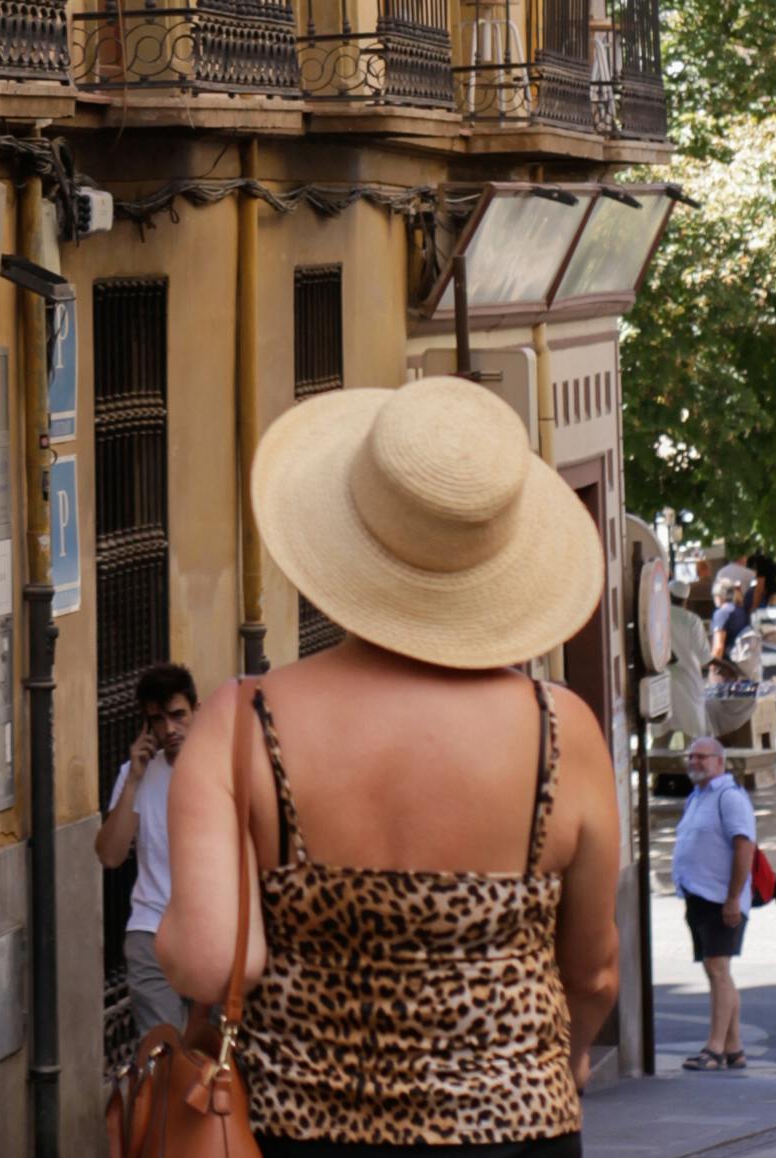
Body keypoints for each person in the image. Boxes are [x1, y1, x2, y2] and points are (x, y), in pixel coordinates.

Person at [159, 373, 622, 1156]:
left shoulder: (240, 723)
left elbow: (209, 961)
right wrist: (567, 1054)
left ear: (345, 537)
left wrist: (167, 938)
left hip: (295, 1131)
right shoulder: (560, 733)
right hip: (514, 1130)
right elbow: (596, 970)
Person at [95, 661, 197, 1039]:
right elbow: (110, 855)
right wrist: (135, 779)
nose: (169, 729)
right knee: (163, 1058)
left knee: (219, 1063)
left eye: (177, 716)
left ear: (195, 712)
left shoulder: (223, 767)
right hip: (151, 932)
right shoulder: (135, 775)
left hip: (214, 933)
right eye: (157, 720)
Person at [672, 733, 757, 1071]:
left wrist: (733, 898)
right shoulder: (697, 797)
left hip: (721, 897)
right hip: (698, 895)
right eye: (691, 757)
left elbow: (744, 847)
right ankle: (734, 1048)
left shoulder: (729, 797)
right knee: (718, 971)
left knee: (717, 970)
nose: (695, 762)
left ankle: (715, 1049)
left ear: (719, 762)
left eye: (702, 757)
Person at [709, 565, 758, 680]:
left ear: (719, 595)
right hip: (742, 667)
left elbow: (718, 646)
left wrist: (712, 669)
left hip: (725, 670)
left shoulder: (721, 613)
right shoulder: (740, 610)